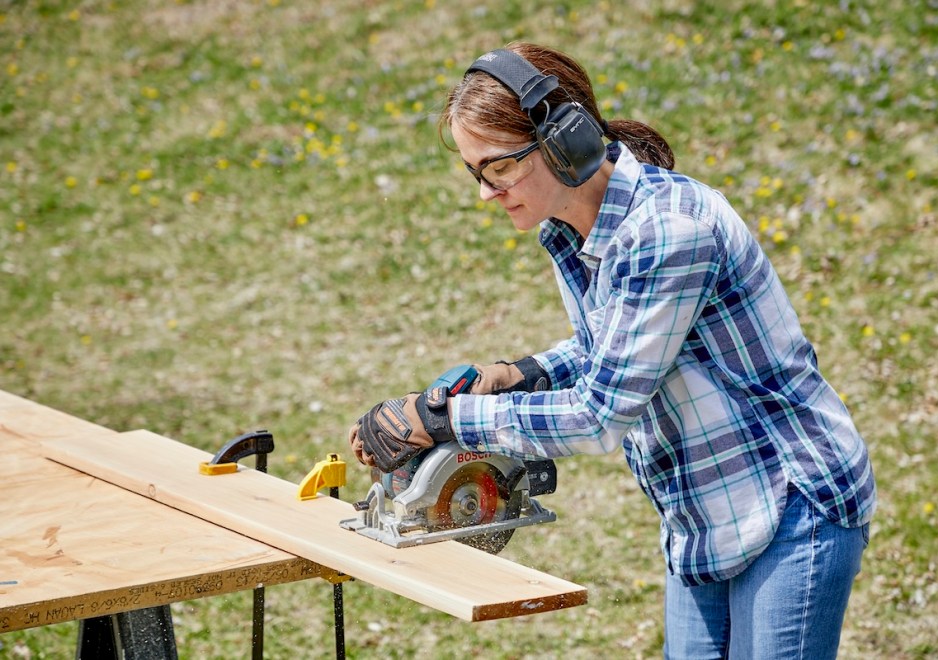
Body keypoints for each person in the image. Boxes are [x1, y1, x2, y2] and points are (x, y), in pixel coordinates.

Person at [348, 42, 876, 659]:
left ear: (564, 139)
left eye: (498, 167)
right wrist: (517, 374)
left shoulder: (667, 232)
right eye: (475, 172)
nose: (486, 193)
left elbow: (599, 415)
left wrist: (440, 419)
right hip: (704, 513)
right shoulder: (573, 230)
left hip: (789, 500)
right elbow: (616, 347)